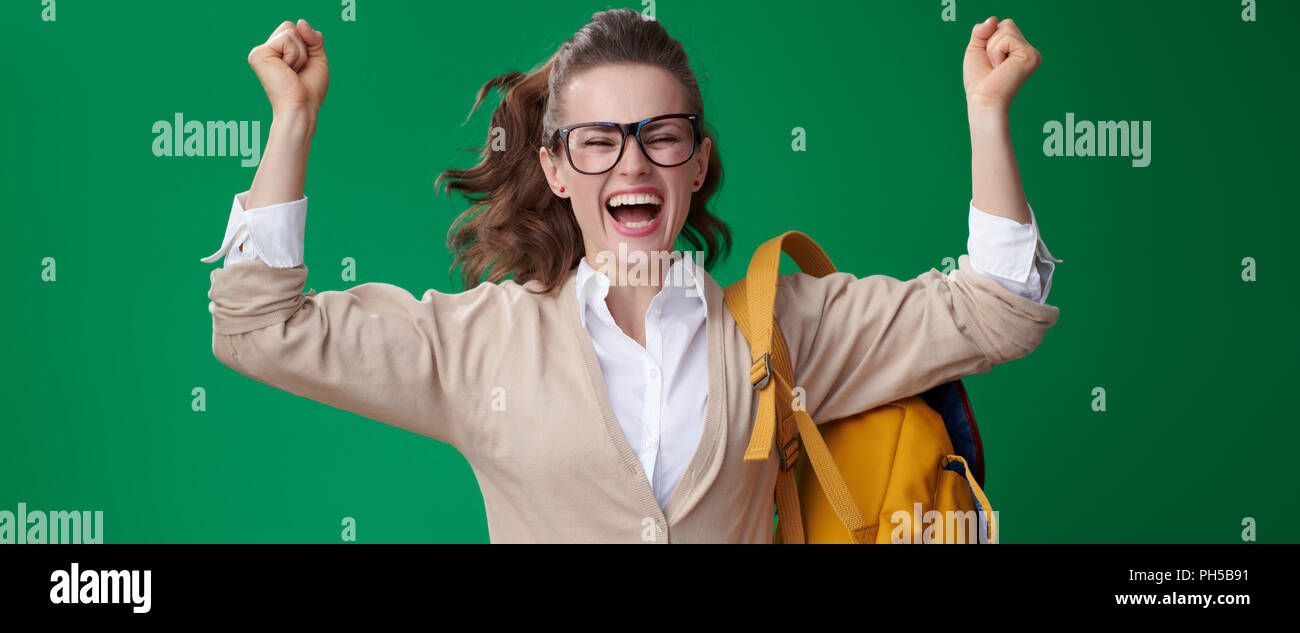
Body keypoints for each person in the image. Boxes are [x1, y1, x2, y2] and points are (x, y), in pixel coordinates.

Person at [201, 9, 1061, 543]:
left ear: (697, 163)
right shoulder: (481, 345)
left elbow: (1000, 309)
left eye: (662, 135)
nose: (633, 164)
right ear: (558, 167)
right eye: (599, 140)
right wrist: (293, 120)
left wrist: (987, 115)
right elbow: (259, 329)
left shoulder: (779, 326)